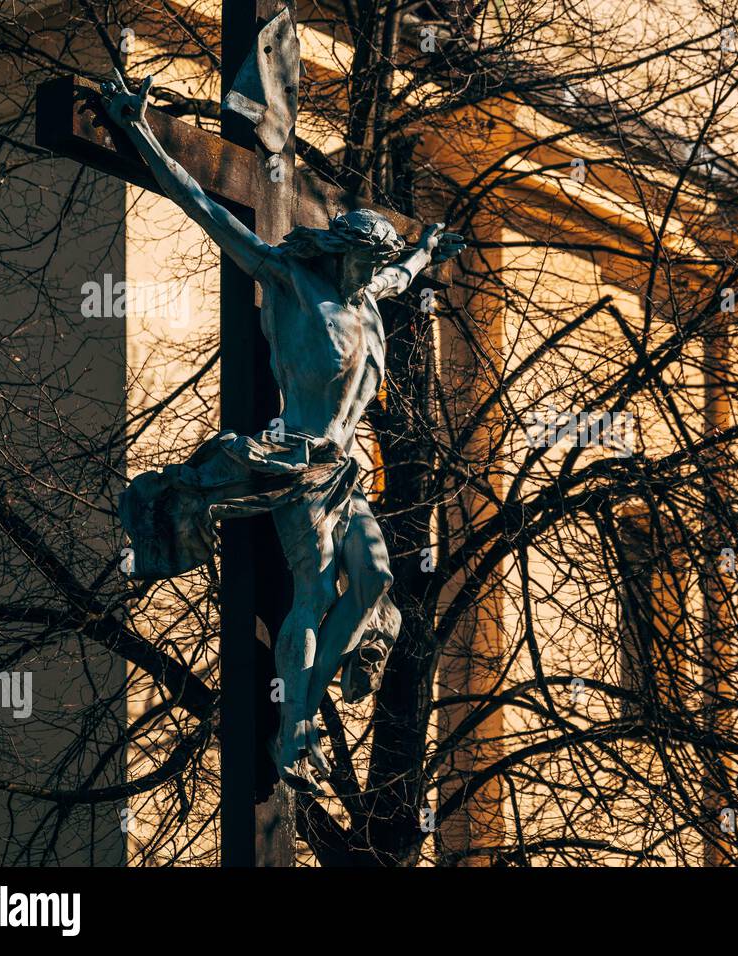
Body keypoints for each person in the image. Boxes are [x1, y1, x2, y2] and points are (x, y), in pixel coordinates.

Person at [101, 70, 465, 793]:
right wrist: (141, 132)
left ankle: (305, 703)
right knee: (315, 591)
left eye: (377, 262)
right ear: (340, 251)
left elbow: (404, 274)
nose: (370, 269)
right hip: (296, 461)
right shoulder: (293, 283)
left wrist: (427, 248)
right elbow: (205, 207)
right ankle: (296, 726)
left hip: (345, 469)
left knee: (375, 581)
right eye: (363, 258)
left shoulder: (371, 295)